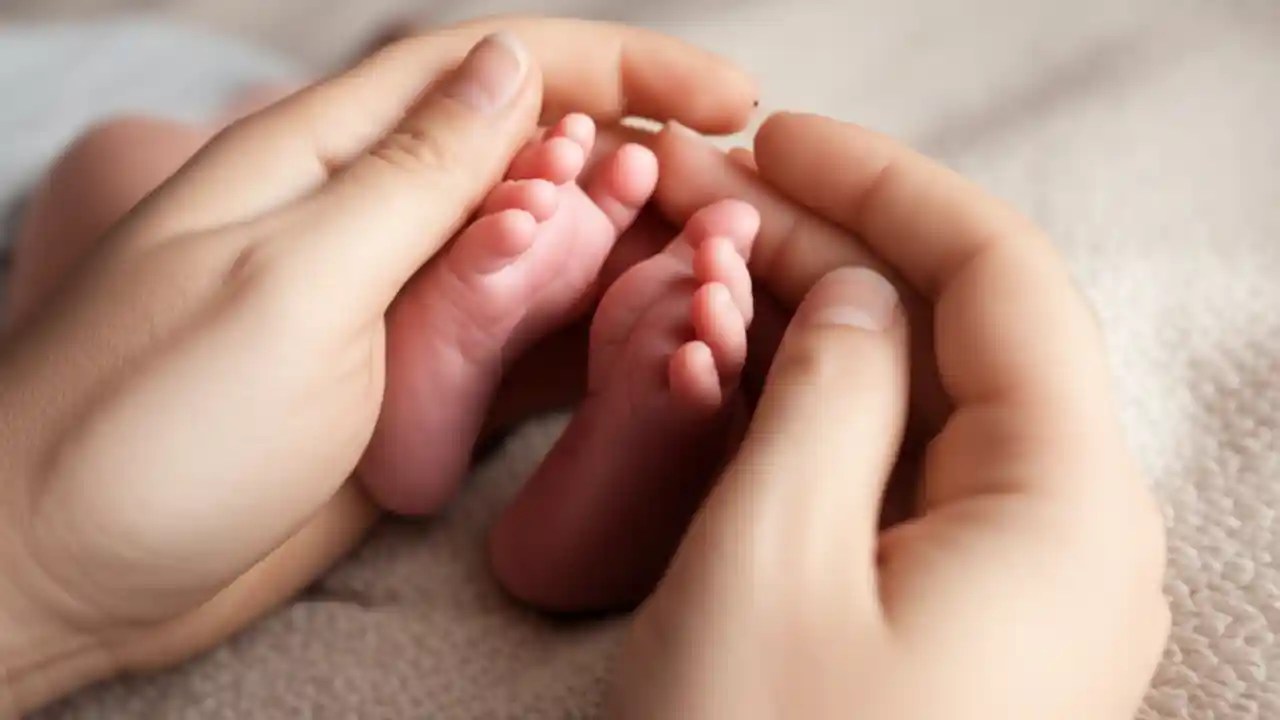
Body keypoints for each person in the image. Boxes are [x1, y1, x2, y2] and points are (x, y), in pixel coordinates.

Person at [0, 16, 1168, 719]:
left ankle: (565, 396)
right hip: (238, 306)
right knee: (131, 156)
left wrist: (39, 576)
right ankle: (583, 415)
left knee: (126, 163)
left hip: (221, 317)